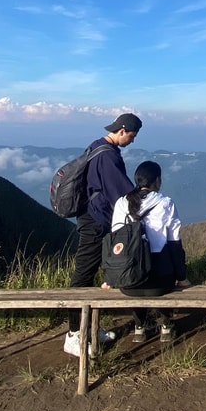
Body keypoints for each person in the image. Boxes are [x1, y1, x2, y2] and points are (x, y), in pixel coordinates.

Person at [63, 113, 142, 357]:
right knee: (83, 274)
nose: (132, 141)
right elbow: (123, 192)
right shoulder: (108, 156)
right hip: (95, 222)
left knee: (89, 272)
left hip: (91, 218)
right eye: (132, 135)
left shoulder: (98, 146)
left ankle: (86, 327)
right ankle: (74, 335)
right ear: (122, 130)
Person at [103, 161, 191, 341]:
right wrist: (181, 277)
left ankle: (139, 327)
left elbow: (116, 243)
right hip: (160, 283)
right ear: (157, 180)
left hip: (128, 284)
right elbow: (175, 244)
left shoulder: (121, 203)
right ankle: (166, 325)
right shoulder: (166, 203)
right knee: (163, 260)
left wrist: (110, 278)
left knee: (135, 269)